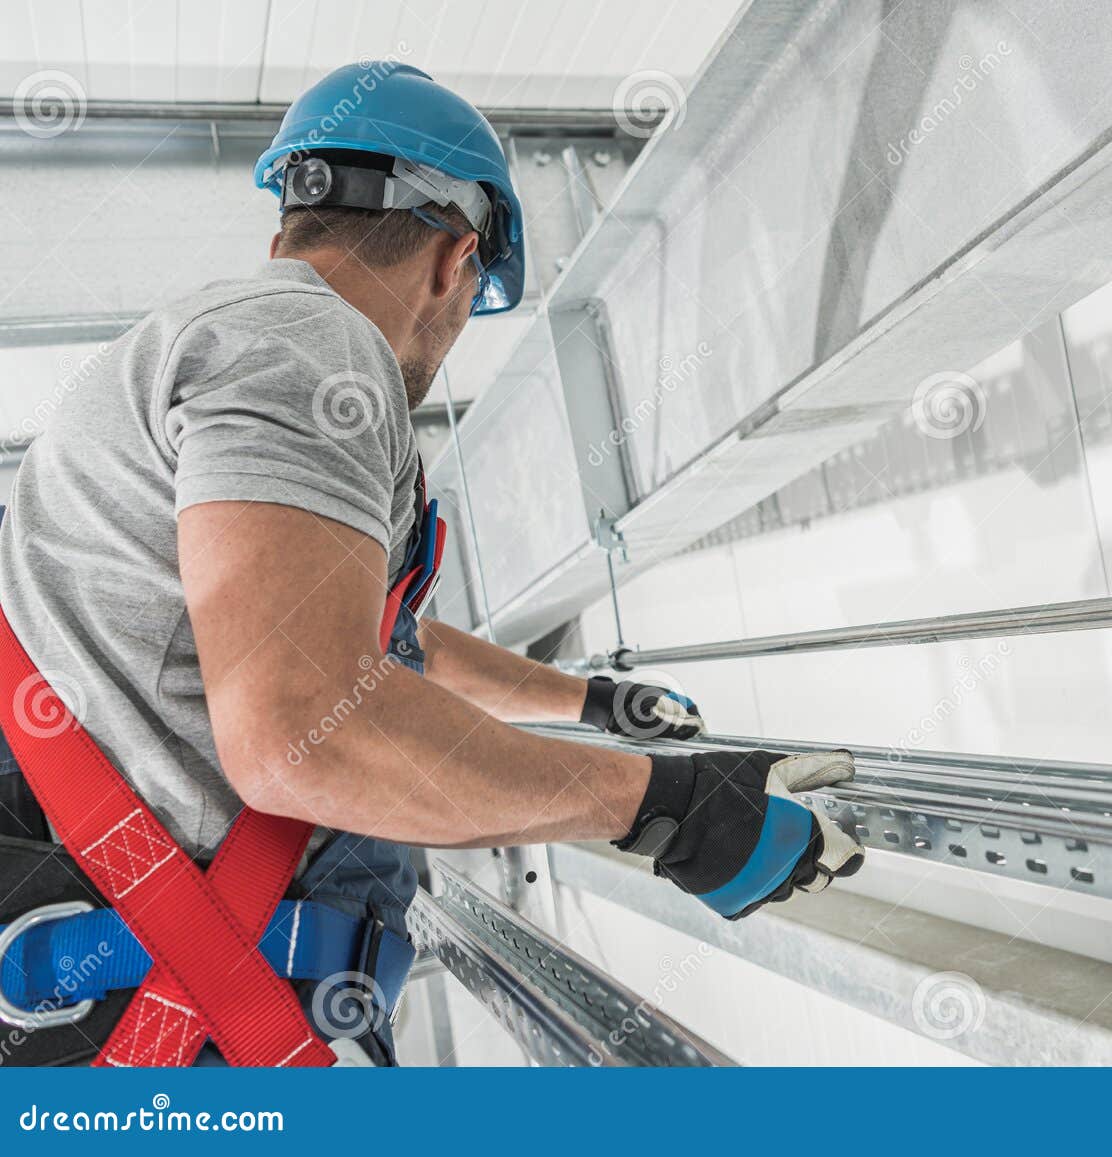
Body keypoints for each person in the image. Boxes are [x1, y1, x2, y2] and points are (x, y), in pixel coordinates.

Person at [0, 63, 862, 1067]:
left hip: (159, 1020)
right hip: (179, 1033)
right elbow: (301, 729)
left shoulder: (221, 353)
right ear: (455, 261)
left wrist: (588, 700)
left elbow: (383, 650)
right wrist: (659, 806)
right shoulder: (310, 343)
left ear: (287, 223)